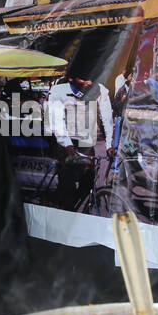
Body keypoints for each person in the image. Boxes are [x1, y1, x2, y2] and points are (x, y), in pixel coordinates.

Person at [47, 64, 115, 212]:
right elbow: (56, 121)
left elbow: (108, 120)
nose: (89, 82)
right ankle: (66, 208)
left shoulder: (100, 90)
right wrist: (67, 144)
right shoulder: (59, 91)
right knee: (68, 178)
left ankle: (83, 203)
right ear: (72, 79)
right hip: (65, 138)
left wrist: (110, 144)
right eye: (84, 79)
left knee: (89, 175)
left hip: (86, 137)